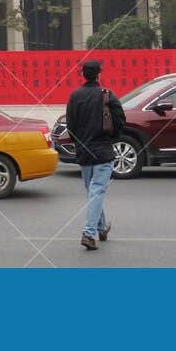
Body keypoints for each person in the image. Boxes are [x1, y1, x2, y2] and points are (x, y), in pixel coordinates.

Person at [65, 59, 126, 251]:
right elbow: (120, 121)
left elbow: (71, 126)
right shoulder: (107, 95)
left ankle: (101, 228)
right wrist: (112, 138)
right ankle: (88, 234)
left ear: (83, 75)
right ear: (99, 75)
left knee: (93, 192)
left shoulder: (75, 96)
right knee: (96, 192)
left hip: (84, 154)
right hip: (103, 152)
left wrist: (79, 144)